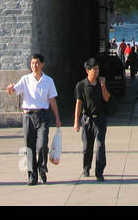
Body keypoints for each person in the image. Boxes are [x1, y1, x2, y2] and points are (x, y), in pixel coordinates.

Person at [6, 53, 61, 185]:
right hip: (28, 116)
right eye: (32, 63)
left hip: (42, 115)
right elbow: (15, 90)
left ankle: (42, 167)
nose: (34, 66)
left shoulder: (48, 81)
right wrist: (10, 89)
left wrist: (57, 118)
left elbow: (52, 100)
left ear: (42, 64)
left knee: (42, 145)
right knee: (29, 147)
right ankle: (32, 176)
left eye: (36, 63)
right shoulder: (25, 79)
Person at [74, 56, 111, 181]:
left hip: (100, 119)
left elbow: (106, 98)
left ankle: (99, 172)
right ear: (87, 71)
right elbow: (78, 104)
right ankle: (86, 167)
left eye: (97, 69)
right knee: (87, 146)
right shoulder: (81, 85)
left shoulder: (101, 83)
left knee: (100, 145)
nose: (96, 72)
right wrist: (76, 122)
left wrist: (103, 85)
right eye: (94, 69)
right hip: (87, 120)